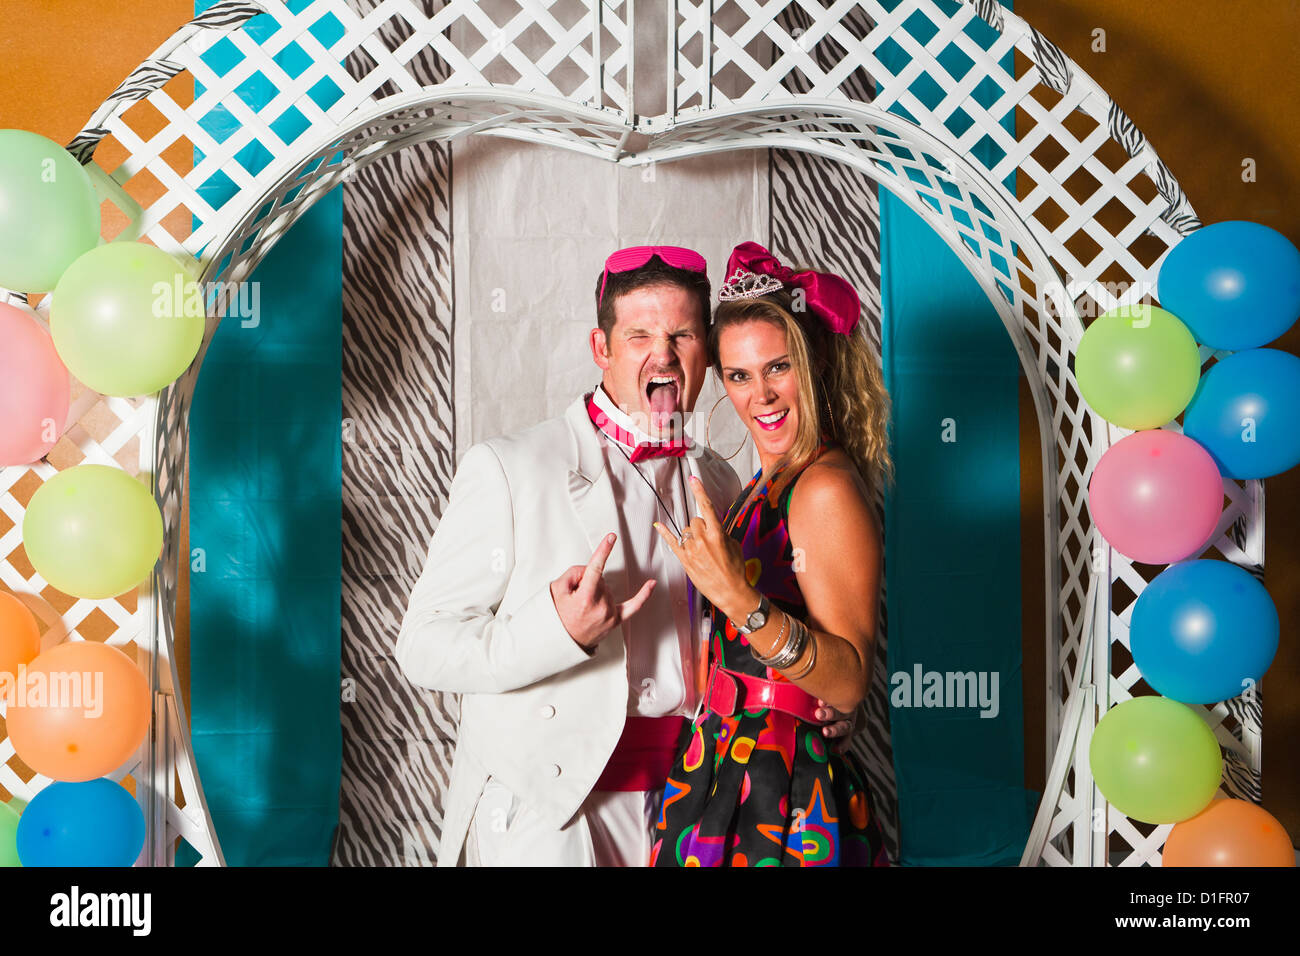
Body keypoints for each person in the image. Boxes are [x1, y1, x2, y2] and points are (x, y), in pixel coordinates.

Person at [394, 245, 857, 866]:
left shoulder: (723, 483)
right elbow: (421, 646)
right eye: (639, 334)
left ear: (706, 355)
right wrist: (554, 631)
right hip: (551, 814)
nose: (662, 354)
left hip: (692, 804)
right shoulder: (510, 467)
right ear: (601, 349)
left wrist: (812, 704)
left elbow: (754, 641)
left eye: (682, 335)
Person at [650, 240, 895, 867]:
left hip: (783, 791)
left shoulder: (823, 486)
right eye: (739, 375)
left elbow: (848, 677)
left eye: (778, 367)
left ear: (810, 365)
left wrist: (738, 598)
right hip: (720, 760)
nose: (761, 395)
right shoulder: (762, 484)